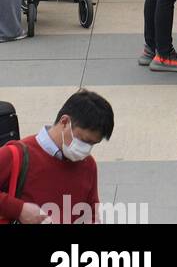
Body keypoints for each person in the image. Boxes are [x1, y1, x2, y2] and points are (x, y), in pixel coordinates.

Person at [0, 90, 114, 224]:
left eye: (92, 144)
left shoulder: (88, 165)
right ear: (64, 122)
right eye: (83, 140)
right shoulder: (15, 154)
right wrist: (19, 209)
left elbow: (91, 213)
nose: (86, 149)